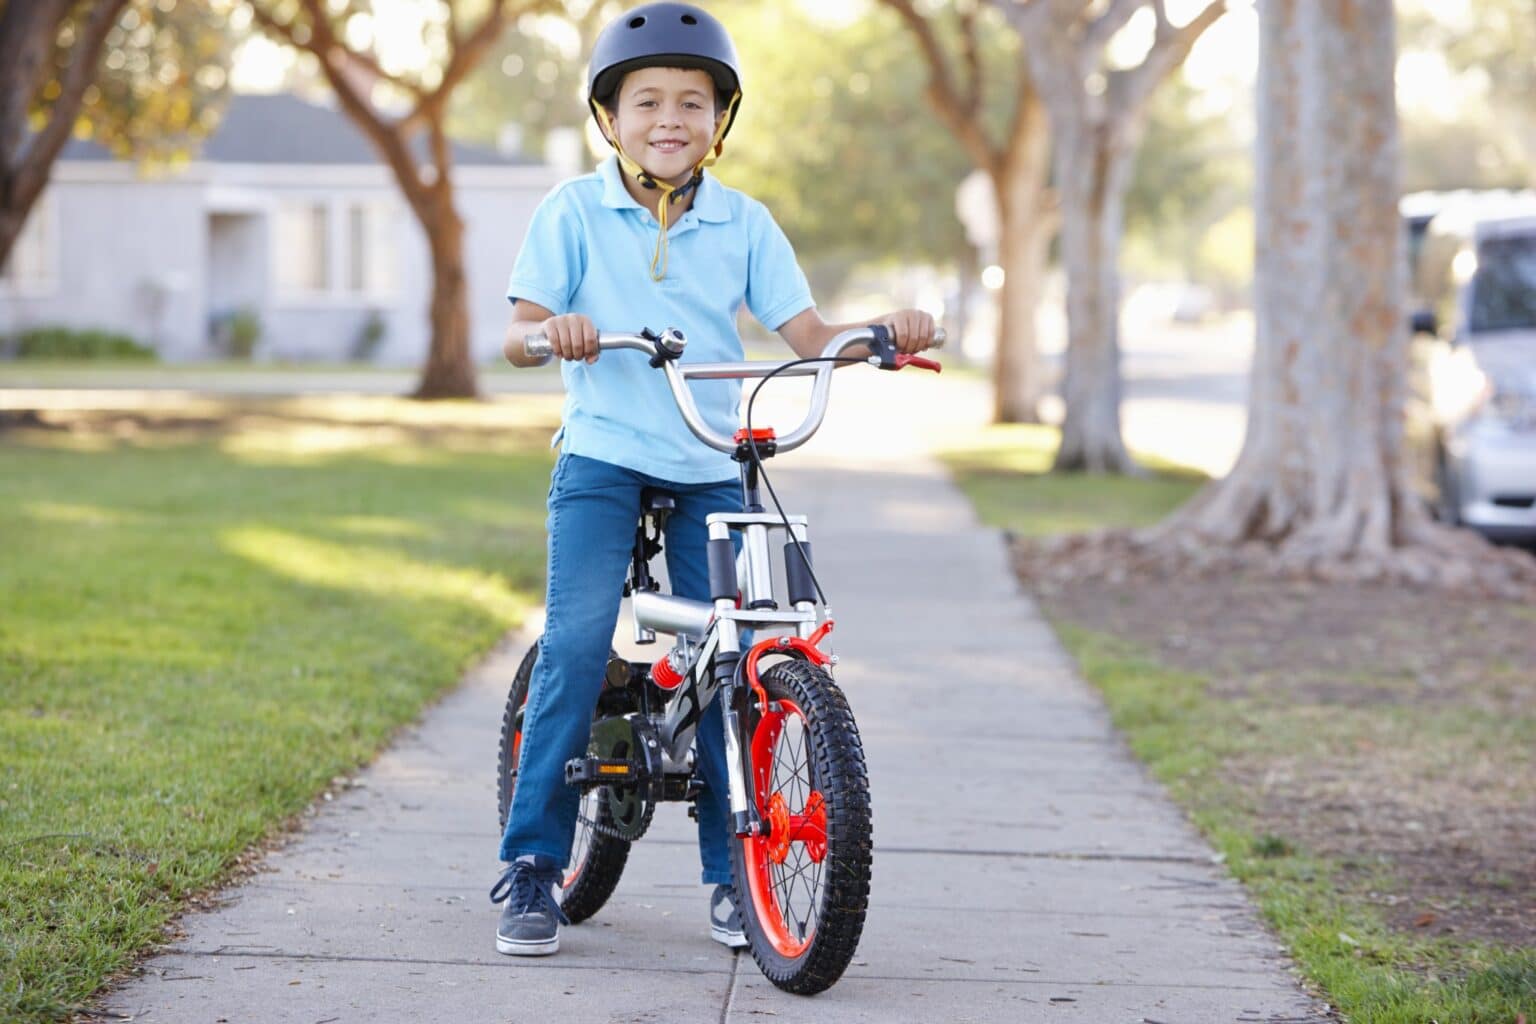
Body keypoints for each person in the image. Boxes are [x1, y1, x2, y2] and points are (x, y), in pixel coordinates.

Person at [491, 0, 936, 958]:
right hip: (604, 452)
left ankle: (734, 876)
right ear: (610, 118)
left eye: (692, 102)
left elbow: (810, 337)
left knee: (732, 657)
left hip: (707, 459)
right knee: (577, 643)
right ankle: (531, 863)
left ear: (720, 121)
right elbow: (518, 333)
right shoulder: (573, 210)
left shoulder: (744, 222)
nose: (669, 118)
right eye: (646, 100)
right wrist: (552, 331)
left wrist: (881, 335)